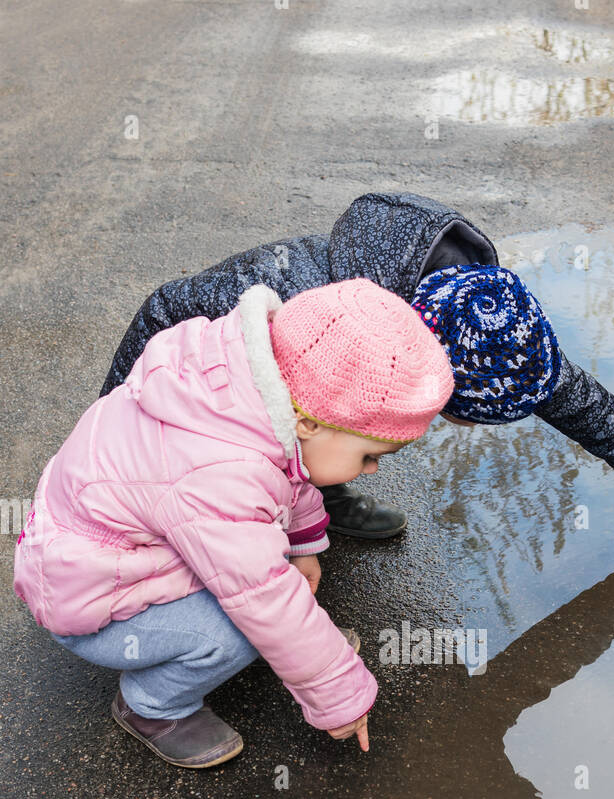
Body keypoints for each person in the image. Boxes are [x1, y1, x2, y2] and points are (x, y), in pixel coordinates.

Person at [13, 279, 453, 768]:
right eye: (370, 455)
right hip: (92, 602)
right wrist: (339, 691)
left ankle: (275, 650)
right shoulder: (223, 473)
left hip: (107, 553)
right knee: (243, 625)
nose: (371, 470)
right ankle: (153, 706)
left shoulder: (245, 385)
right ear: (307, 422)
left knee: (265, 590)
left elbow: (292, 472)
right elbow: (263, 596)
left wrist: (303, 544)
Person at [100, 192, 614, 539]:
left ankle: (319, 497)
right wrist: (111, 426)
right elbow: (162, 309)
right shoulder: (302, 306)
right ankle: (259, 520)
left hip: (317, 410)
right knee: (266, 447)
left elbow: (559, 387)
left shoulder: (480, 313)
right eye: (458, 413)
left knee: (338, 430)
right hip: (201, 391)